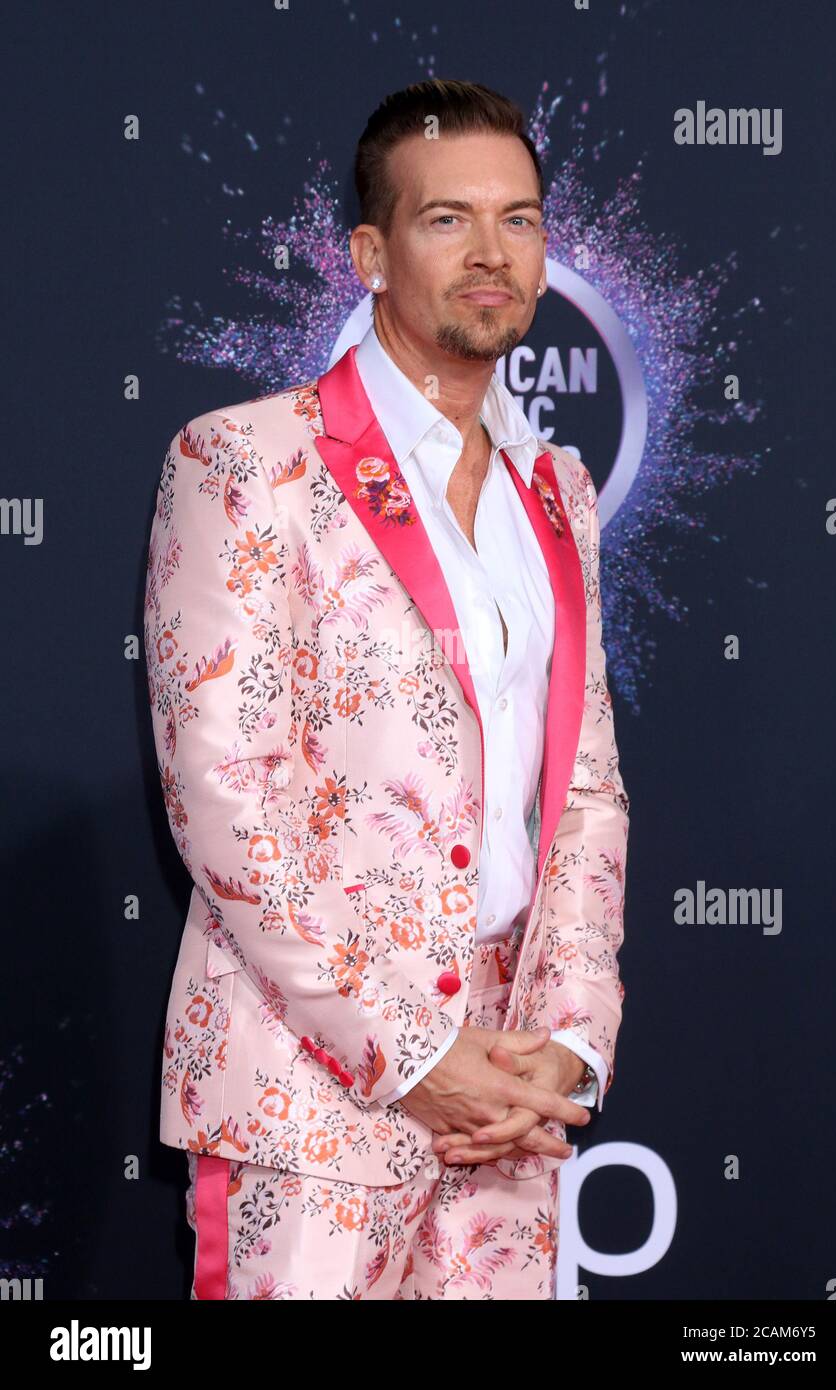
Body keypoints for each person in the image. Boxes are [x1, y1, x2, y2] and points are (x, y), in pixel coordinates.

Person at [143, 78, 629, 1300]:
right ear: (368, 251)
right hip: (309, 1098)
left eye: (517, 221)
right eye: (444, 219)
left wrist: (564, 1046)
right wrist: (416, 1055)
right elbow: (222, 800)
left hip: (505, 1108)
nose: (490, 253)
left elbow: (582, 787)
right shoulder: (246, 459)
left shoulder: (555, 490)